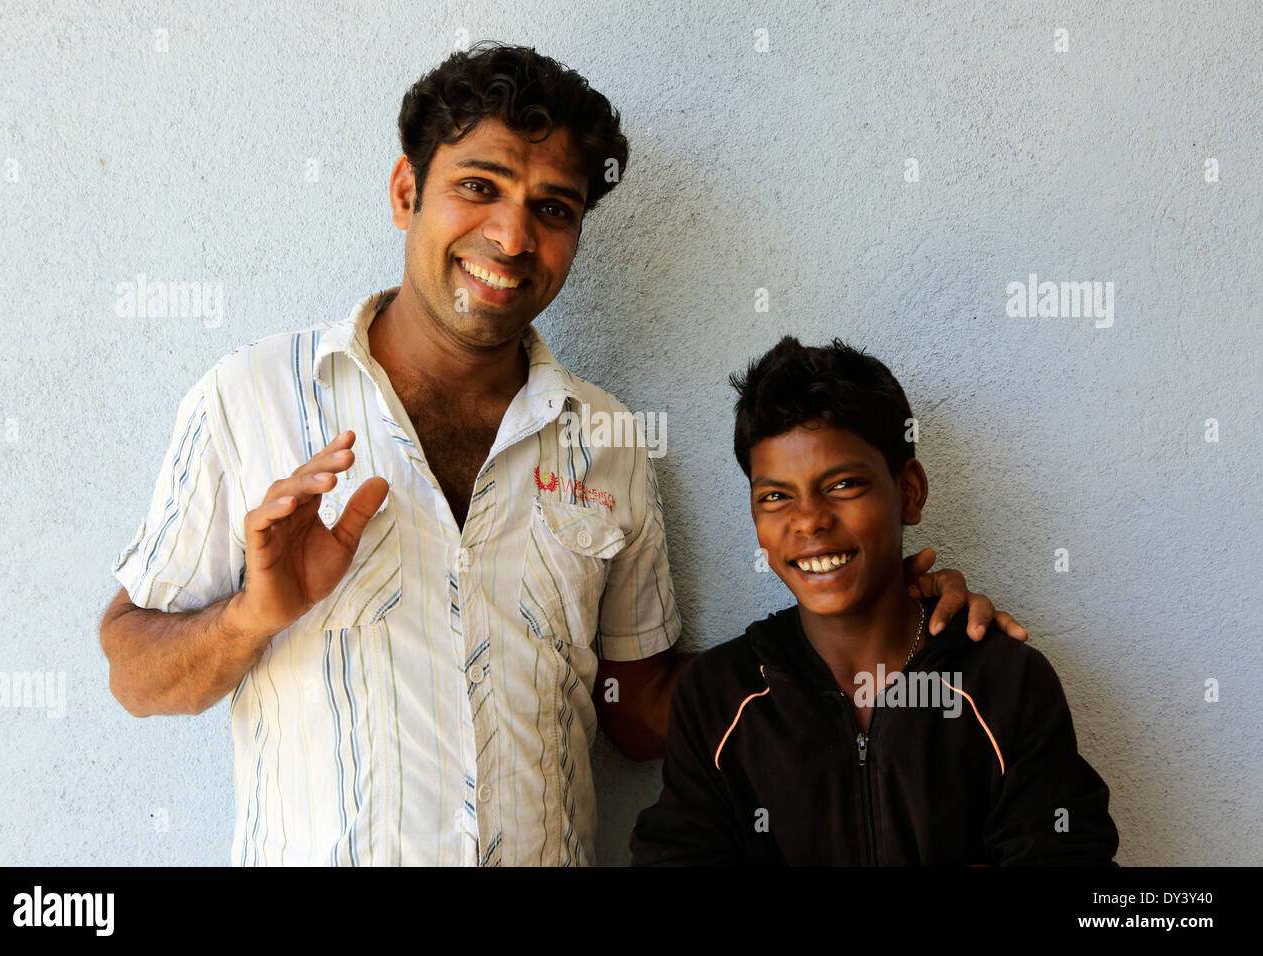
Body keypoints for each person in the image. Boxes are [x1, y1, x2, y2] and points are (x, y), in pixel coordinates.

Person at [99, 42, 1024, 866]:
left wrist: (874, 614)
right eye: (478, 186)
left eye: (553, 208)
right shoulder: (249, 397)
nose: (511, 237)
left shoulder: (609, 440)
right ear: (406, 192)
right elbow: (132, 672)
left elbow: (640, 712)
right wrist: (253, 614)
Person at [630, 337, 1119, 865]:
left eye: (842, 484)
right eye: (775, 496)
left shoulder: (1005, 684)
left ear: (908, 492)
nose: (810, 519)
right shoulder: (720, 698)